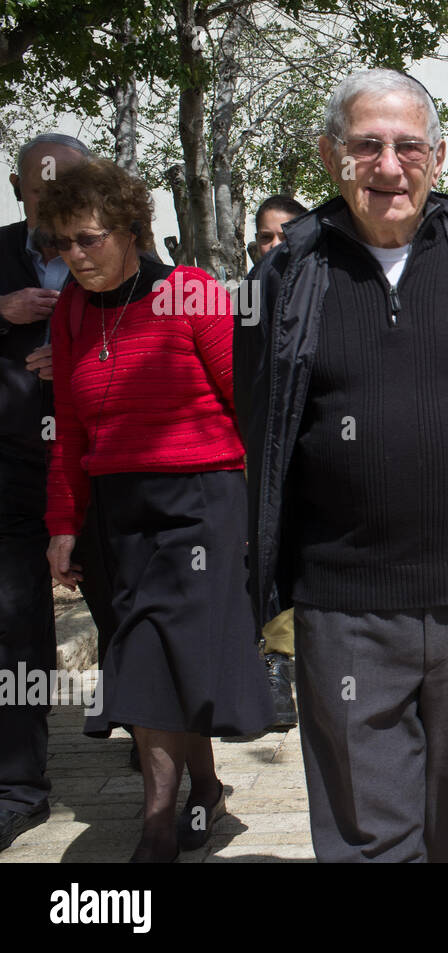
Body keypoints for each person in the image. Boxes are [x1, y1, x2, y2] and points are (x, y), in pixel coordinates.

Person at [234, 68, 448, 862]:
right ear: (329, 155)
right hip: (345, 604)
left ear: (437, 157)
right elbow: (263, 422)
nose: (388, 166)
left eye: (409, 146)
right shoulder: (284, 277)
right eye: (366, 145)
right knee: (364, 833)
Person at [40, 158, 273, 862]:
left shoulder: (190, 292)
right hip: (119, 507)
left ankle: (157, 825)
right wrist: (62, 525)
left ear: (131, 230)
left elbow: (250, 402)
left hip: (201, 501)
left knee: (148, 654)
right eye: (62, 244)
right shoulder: (74, 313)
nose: (74, 257)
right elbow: (69, 429)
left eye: (89, 239)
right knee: (159, 659)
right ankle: (206, 789)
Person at [0, 133, 90, 853]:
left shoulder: (115, 257)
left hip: (106, 471)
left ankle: (156, 745)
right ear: (17, 186)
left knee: (132, 620)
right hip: (13, 474)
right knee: (16, 628)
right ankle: (21, 786)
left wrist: (78, 359)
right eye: (42, 190)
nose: (56, 205)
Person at [246, 193, 309, 731]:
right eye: (264, 238)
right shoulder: (246, 298)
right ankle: (275, 667)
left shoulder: (328, 292)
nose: (273, 248)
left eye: (284, 237)